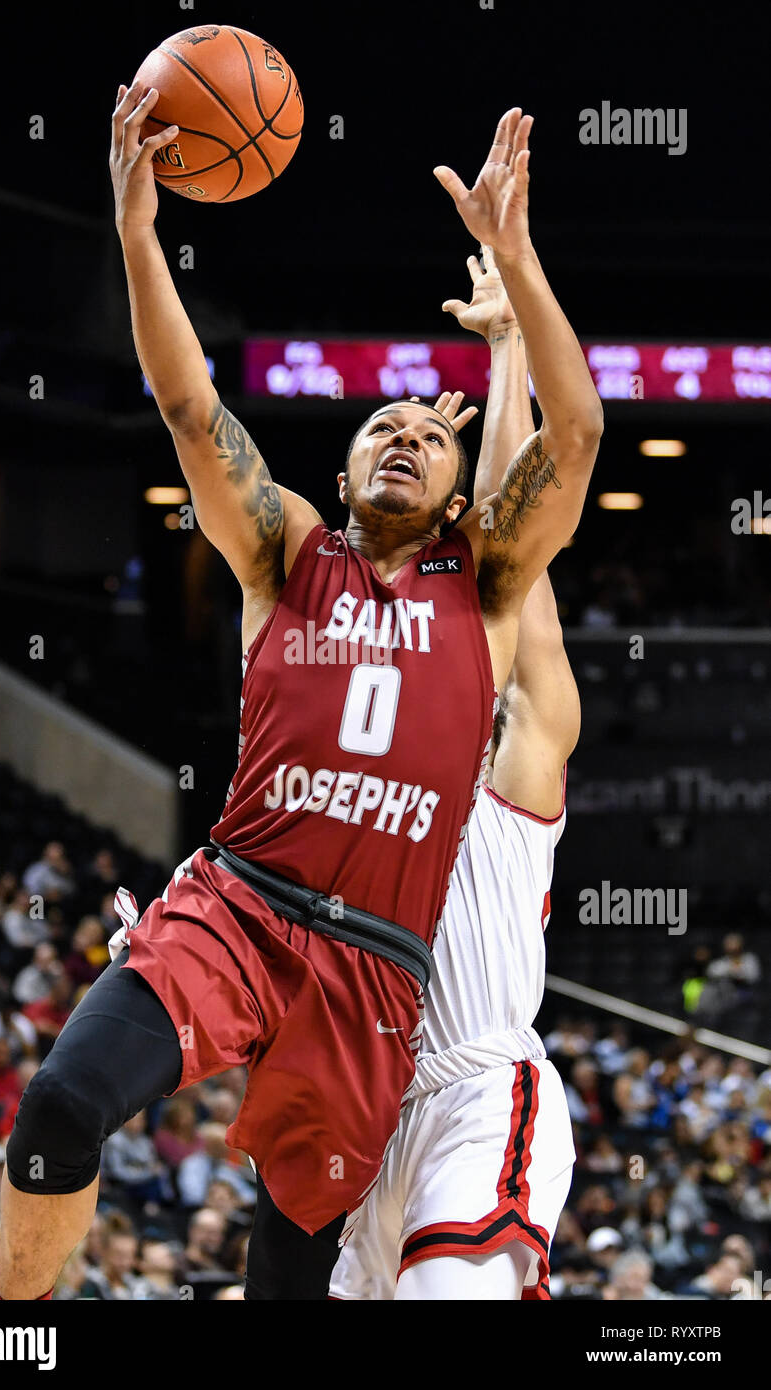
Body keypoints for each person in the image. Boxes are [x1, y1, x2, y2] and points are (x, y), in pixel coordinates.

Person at [0, 102, 602, 1301]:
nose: (403, 436)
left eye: (431, 437)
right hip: (241, 900)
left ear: (451, 503)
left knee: (290, 1273)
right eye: (382, 422)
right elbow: (186, 406)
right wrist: (134, 230)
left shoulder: (478, 597)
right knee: (61, 1100)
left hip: (372, 975)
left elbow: (570, 441)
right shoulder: (285, 554)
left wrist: (518, 283)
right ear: (334, 471)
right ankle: (5, 1322)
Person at [330, 251, 580, 1299]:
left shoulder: (516, 758)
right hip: (363, 1128)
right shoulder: (350, 779)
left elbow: (510, 549)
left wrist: (509, 349)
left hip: (482, 1094)